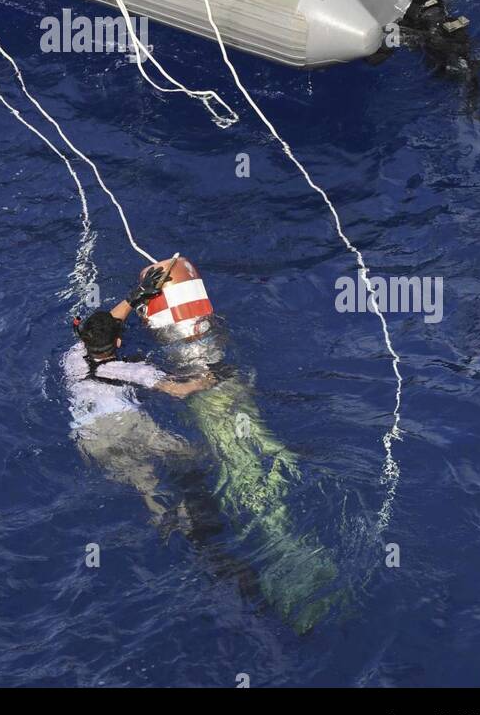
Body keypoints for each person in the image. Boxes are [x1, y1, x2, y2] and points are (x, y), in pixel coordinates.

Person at [134, 256, 343, 634]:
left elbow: (175, 386)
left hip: (215, 406)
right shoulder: (222, 355)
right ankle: (301, 557)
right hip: (235, 394)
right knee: (267, 472)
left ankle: (291, 569)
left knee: (247, 487)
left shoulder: (184, 364)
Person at [63, 264, 213, 525]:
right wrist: (211, 377)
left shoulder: (72, 357)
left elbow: (105, 327)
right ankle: (192, 515)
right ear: (118, 342)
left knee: (143, 479)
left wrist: (135, 297)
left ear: (85, 339)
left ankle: (161, 514)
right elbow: (178, 391)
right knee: (190, 454)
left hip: (89, 435)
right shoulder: (131, 370)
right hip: (126, 425)